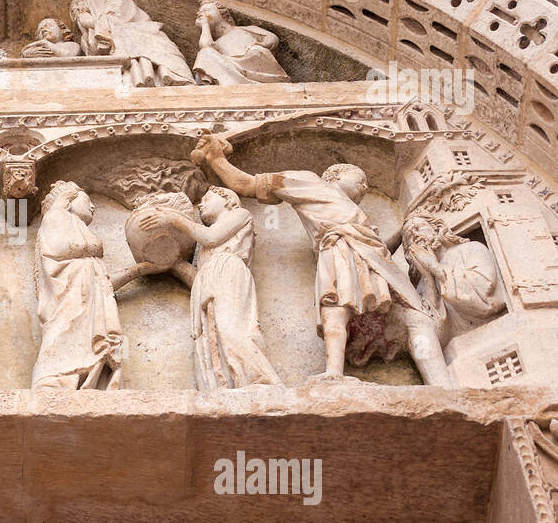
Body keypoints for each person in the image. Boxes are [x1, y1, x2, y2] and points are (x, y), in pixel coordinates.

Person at [192, 132, 453, 385]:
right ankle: (334, 373)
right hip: (337, 248)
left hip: (376, 260)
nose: (365, 186)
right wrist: (217, 160)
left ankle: (443, 387)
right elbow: (248, 185)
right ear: (336, 174)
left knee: (418, 318)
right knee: (335, 306)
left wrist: (406, 225)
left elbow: (376, 246)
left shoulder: (356, 214)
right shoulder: (309, 182)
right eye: (360, 178)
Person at [135, 186, 281, 389]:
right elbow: (199, 278)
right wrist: (175, 264)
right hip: (210, 278)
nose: (200, 204)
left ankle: (260, 380)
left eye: (206, 198)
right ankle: (225, 385)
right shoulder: (206, 249)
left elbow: (211, 238)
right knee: (210, 335)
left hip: (228, 272)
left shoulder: (239, 214)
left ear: (227, 199)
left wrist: (174, 218)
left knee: (230, 329)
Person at [32, 182, 127, 390]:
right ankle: (54, 377)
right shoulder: (56, 216)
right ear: (68, 199)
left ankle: (92, 378)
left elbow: (107, 283)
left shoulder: (76, 229)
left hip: (87, 293)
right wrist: (94, 246)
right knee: (65, 329)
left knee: (87, 333)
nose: (93, 206)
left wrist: (138, 271)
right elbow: (59, 248)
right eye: (87, 200)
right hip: (69, 295)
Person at [402, 215, 503, 343]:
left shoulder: (471, 249)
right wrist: (429, 280)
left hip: (497, 333)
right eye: (409, 235)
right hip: (457, 353)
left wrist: (437, 270)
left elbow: (485, 297)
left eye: (419, 227)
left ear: (436, 229)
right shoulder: (422, 286)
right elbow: (433, 334)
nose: (416, 234)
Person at [69, 0, 194, 87]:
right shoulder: (85, 36)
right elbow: (96, 53)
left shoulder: (117, 1)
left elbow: (117, 22)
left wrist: (93, 22)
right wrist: (87, 31)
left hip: (148, 38)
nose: (79, 11)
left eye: (81, 4)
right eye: (75, 12)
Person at [191, 1, 289, 85]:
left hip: (254, 62)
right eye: (199, 12)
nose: (200, 14)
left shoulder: (245, 29)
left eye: (206, 10)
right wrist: (205, 25)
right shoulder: (216, 44)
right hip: (231, 67)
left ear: (222, 14)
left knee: (256, 51)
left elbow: (272, 38)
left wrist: (260, 46)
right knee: (205, 53)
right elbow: (206, 47)